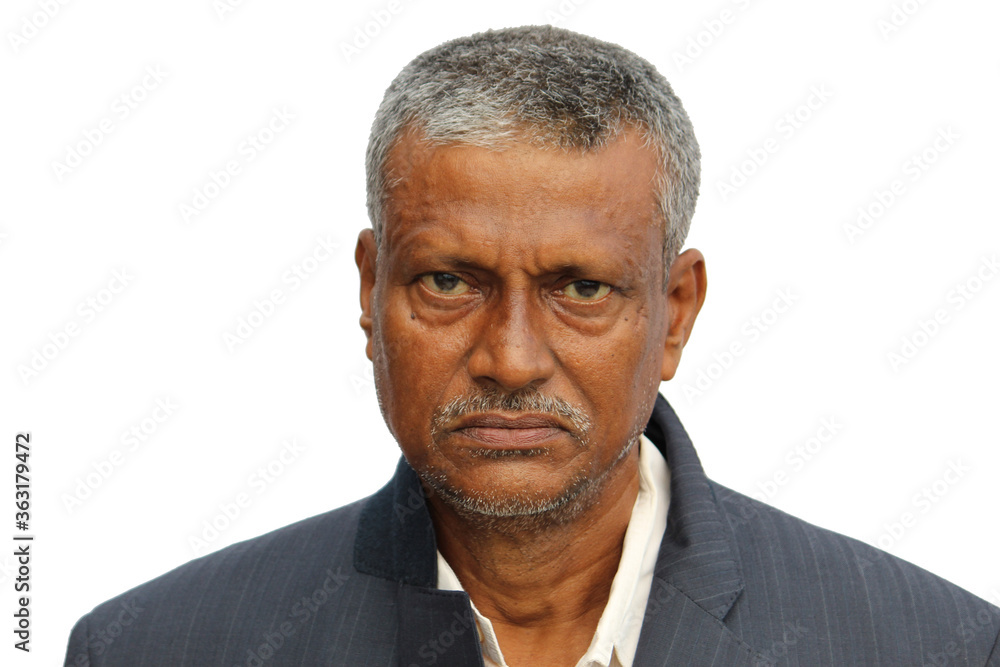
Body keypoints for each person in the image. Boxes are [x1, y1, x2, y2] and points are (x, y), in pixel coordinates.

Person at [64, 25, 999, 667]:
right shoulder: (159, 644)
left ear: (674, 313)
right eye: (449, 281)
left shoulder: (933, 645)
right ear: (368, 290)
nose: (511, 359)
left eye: (581, 289)